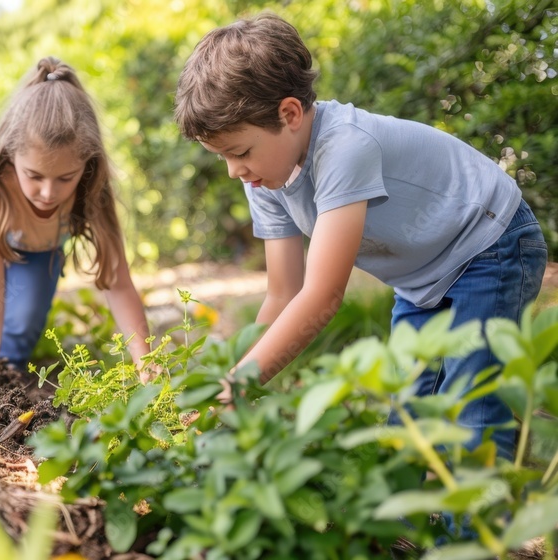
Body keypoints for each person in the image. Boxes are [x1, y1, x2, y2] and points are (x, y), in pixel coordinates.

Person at [173, 13, 547, 461]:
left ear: (289, 114)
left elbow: (322, 295)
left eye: (240, 152)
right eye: (223, 158)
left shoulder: (345, 147)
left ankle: (487, 503)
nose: (234, 171)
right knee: (405, 415)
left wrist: (235, 388)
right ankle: (417, 507)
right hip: (420, 277)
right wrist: (229, 380)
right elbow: (283, 294)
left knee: (474, 408)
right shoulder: (263, 178)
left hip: (489, 243)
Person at [0, 57, 153, 411]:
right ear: (12, 159)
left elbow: (118, 283)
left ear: (86, 166)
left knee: (24, 319)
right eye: (35, 176)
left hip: (44, 237)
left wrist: (147, 364)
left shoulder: (92, 188)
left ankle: (7, 369)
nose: (48, 193)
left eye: (65, 178)